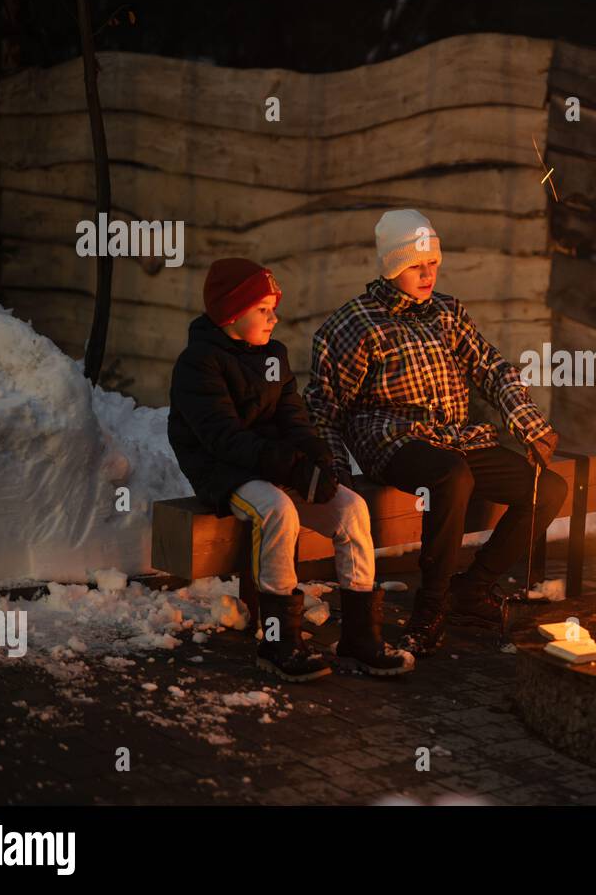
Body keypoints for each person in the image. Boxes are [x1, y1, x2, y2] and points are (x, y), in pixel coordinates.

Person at [305, 209, 567, 656]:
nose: (428, 274)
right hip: (391, 439)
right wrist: (334, 474)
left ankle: (472, 589)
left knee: (548, 487)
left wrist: (528, 422)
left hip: (452, 438)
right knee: (452, 477)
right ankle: (430, 608)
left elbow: (491, 368)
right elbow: (323, 406)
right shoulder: (353, 325)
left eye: (433, 263)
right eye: (415, 266)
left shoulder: (446, 312)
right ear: (391, 267)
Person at [167, 258, 412, 681]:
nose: (274, 317)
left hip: (277, 464)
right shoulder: (198, 364)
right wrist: (293, 466)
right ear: (232, 313)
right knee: (277, 511)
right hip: (224, 471)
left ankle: (359, 636)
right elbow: (222, 438)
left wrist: (318, 461)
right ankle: (278, 642)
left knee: (351, 508)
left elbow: (293, 418)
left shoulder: (273, 356)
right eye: (263, 309)